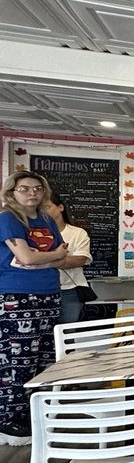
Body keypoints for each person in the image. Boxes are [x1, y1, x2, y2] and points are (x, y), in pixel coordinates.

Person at [0, 171, 67, 445]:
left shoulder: (47, 220)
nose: (32, 193)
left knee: (45, 360)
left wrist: (44, 259)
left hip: (49, 294)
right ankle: (10, 420)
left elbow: (62, 257)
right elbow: (26, 257)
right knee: (18, 361)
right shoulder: (8, 218)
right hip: (17, 296)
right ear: (11, 192)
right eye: (25, 188)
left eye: (38, 188)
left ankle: (35, 415)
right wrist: (50, 257)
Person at [45, 192, 93, 326]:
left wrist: (42, 260)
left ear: (60, 207)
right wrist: (59, 258)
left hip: (69, 289)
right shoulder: (33, 233)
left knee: (68, 330)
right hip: (42, 288)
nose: (44, 212)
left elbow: (80, 259)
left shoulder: (78, 233)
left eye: (47, 207)